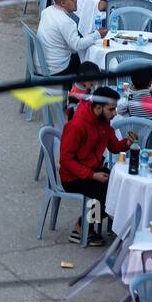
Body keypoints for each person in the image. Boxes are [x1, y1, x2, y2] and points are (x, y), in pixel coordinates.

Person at [57, 86, 128, 246]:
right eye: (111, 109)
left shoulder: (103, 122)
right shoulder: (76, 125)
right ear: (98, 107)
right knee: (106, 194)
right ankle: (82, 228)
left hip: (92, 170)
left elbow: (114, 146)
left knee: (118, 187)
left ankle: (91, 227)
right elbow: (66, 161)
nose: (115, 113)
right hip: (72, 177)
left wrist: (128, 142)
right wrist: (92, 175)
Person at [38, 0, 105, 75]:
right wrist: (97, 34)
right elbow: (77, 46)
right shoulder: (66, 22)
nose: (76, 0)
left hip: (40, 64)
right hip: (55, 69)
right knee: (89, 64)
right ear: (63, 3)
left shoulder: (47, 11)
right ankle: (83, 86)